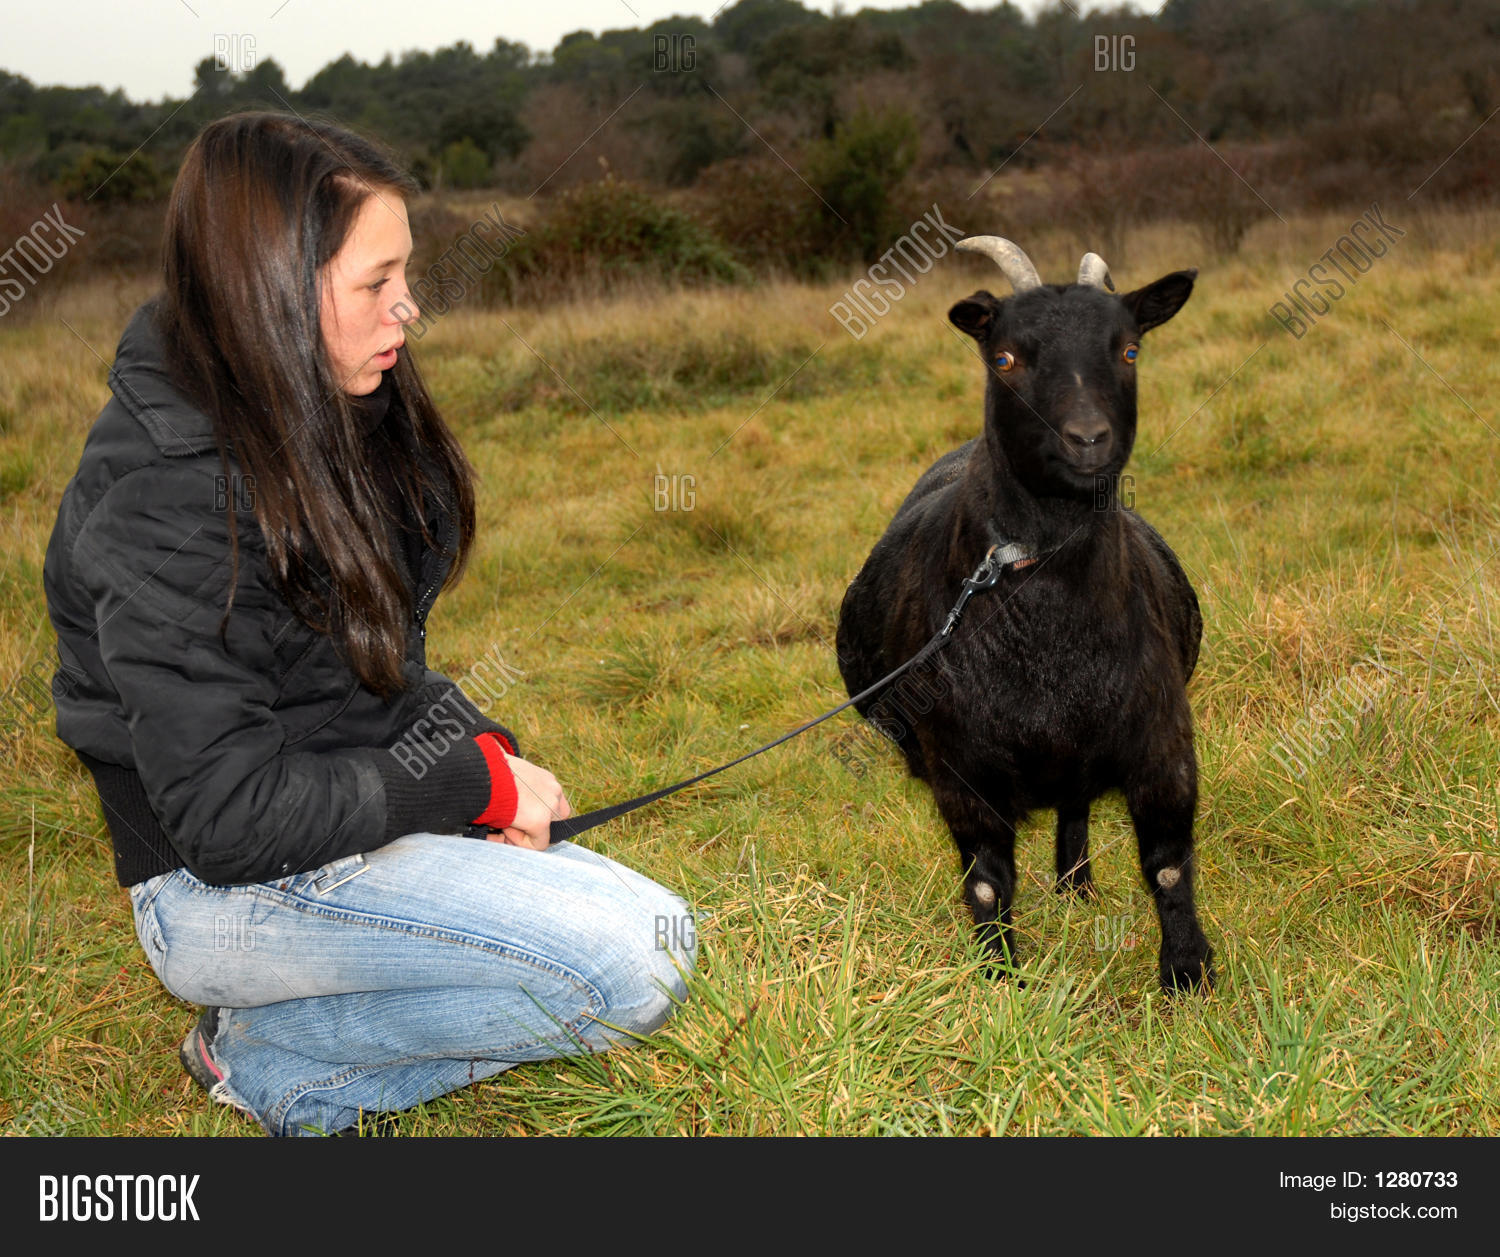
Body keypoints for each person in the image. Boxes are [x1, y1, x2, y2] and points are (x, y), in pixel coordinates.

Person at [42, 111, 696, 1137]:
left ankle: (286, 1043)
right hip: (218, 886)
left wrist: (473, 742)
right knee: (640, 955)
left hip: (341, 801)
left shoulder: (316, 404)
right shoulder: (165, 497)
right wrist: (465, 783)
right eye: (375, 283)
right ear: (272, 290)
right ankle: (272, 1063)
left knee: (645, 931)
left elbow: (358, 665)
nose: (410, 309)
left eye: (407, 274)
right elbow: (226, 820)